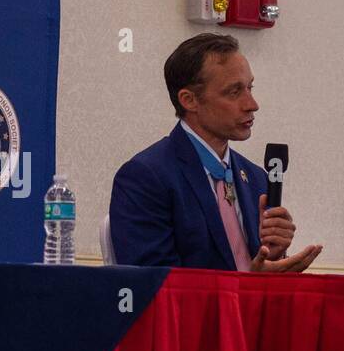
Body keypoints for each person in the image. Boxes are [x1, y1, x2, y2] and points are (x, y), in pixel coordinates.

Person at [109, 32, 322, 271]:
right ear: (189, 100)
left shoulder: (255, 178)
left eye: (250, 88)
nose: (252, 104)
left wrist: (274, 255)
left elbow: (257, 267)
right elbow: (155, 287)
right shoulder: (146, 177)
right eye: (234, 92)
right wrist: (249, 284)